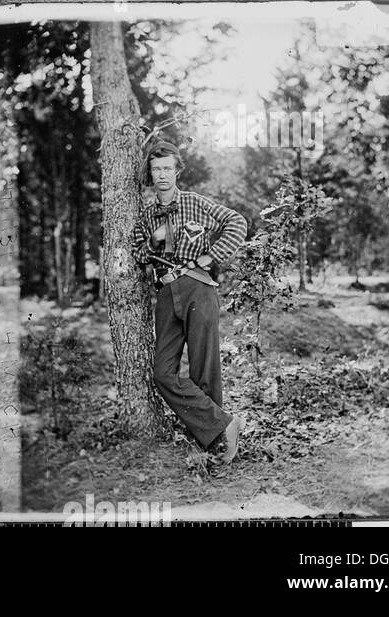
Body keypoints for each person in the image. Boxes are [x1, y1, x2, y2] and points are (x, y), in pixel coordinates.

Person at [131, 141, 248, 464]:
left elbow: (238, 223)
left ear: (177, 171)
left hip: (199, 288)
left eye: (168, 168)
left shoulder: (196, 203)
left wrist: (211, 256)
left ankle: (212, 445)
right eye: (156, 169)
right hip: (166, 294)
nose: (162, 175)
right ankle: (226, 423)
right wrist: (153, 240)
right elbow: (138, 254)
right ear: (150, 174)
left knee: (204, 367)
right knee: (162, 373)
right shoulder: (146, 215)